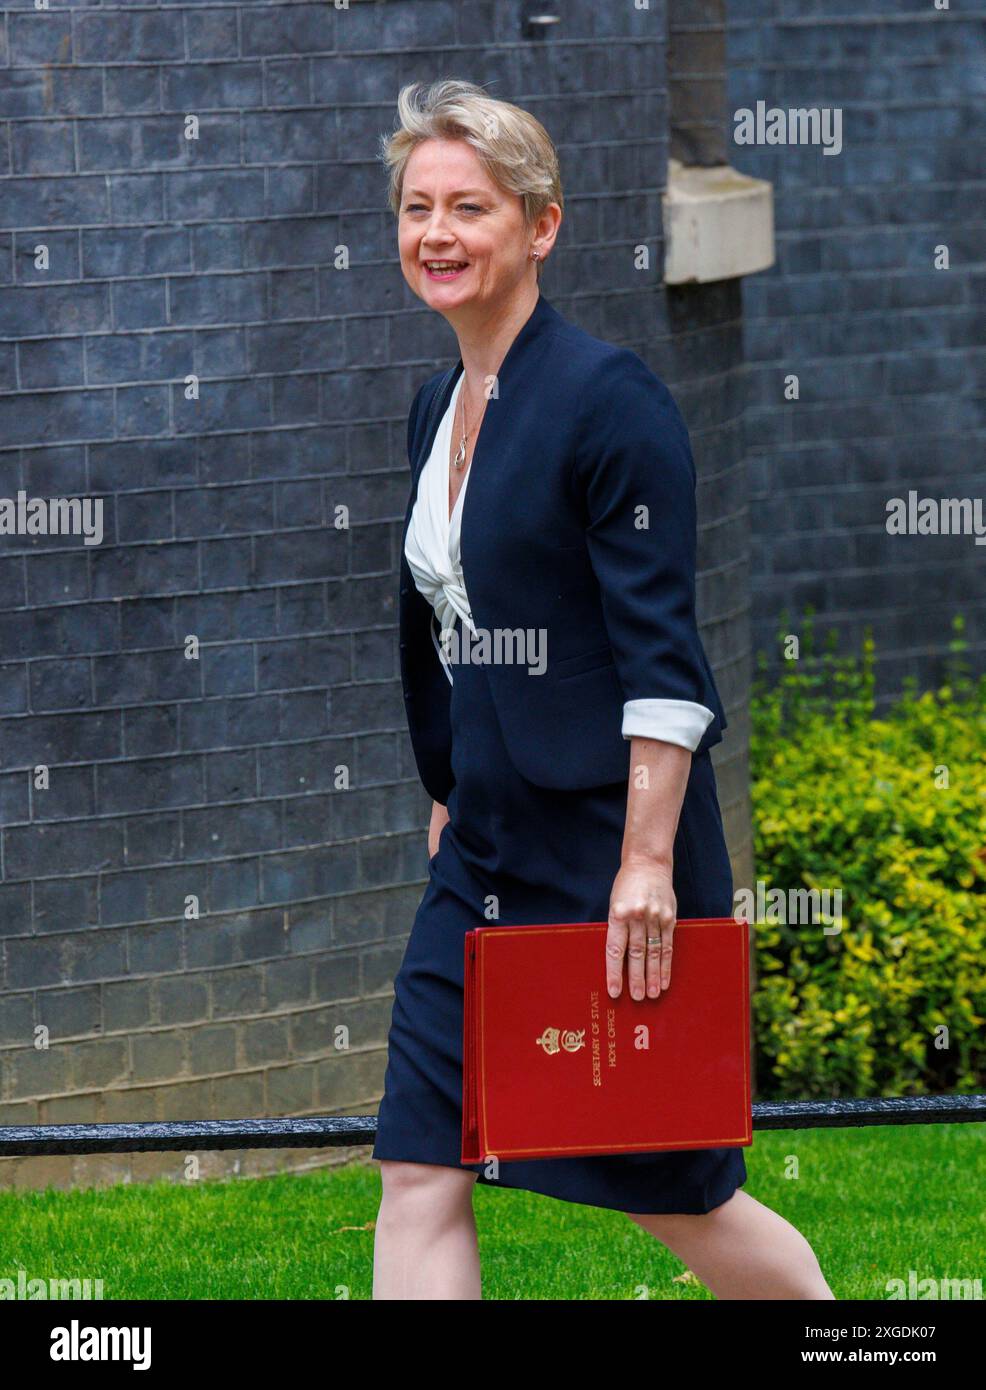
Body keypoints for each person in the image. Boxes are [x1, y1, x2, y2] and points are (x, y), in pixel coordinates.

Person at [371, 78, 834, 1301]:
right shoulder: (437, 403)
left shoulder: (606, 399)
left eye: (468, 206)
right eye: (417, 206)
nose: (436, 233)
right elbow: (454, 623)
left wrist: (642, 863)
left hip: (604, 854)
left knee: (678, 1194)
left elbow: (660, 664)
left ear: (541, 225)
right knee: (419, 1164)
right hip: (479, 849)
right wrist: (451, 782)